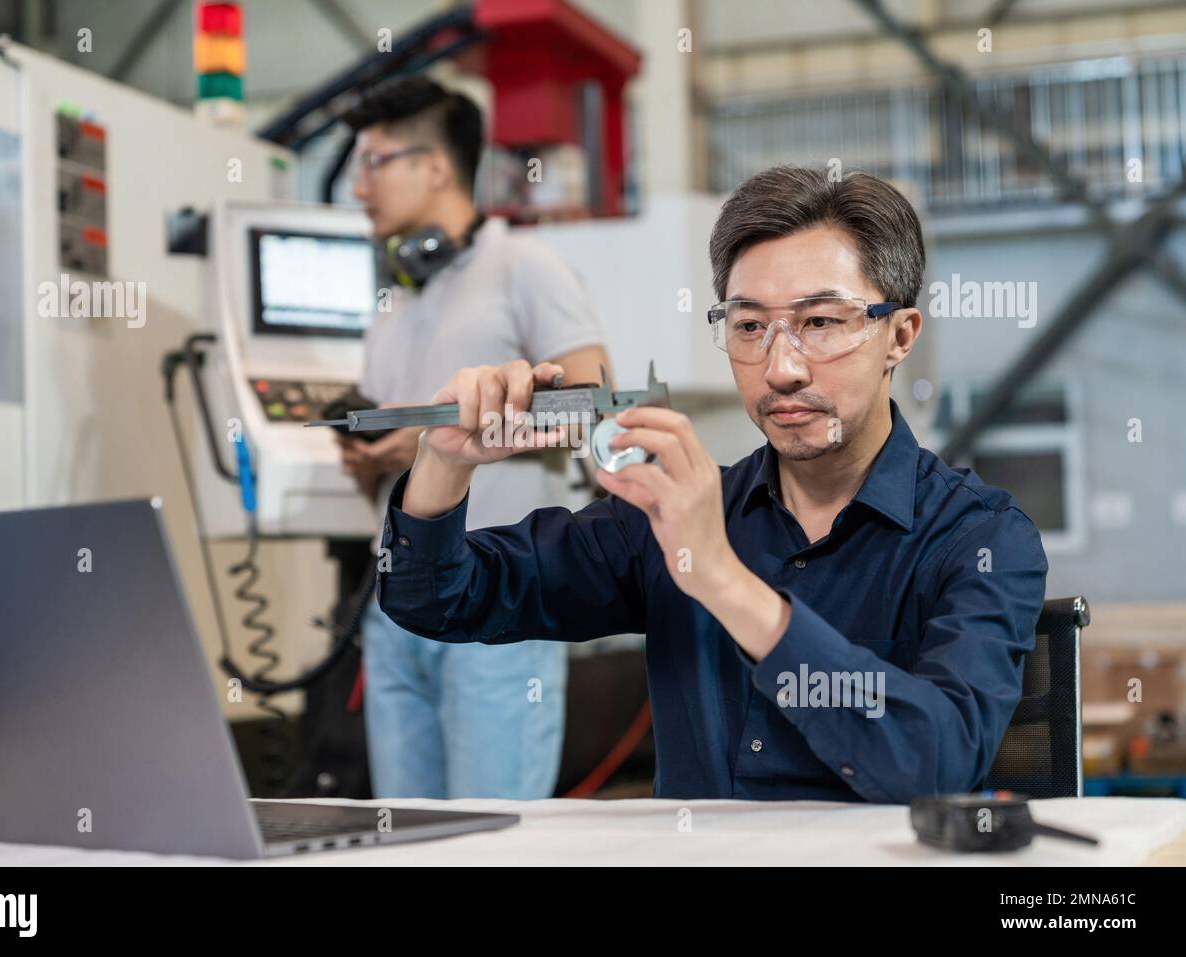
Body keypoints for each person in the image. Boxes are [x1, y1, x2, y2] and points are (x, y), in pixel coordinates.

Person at [373, 166, 1050, 802]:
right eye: (750, 326)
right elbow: (434, 600)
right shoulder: (666, 517)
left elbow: (934, 759)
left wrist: (719, 576)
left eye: (819, 323)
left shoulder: (981, 538)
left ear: (899, 334)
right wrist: (444, 461)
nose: (781, 367)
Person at [339, 76, 610, 799]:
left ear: (433, 166)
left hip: (497, 601)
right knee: (403, 839)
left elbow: (592, 405)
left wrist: (447, 444)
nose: (359, 187)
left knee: (498, 841)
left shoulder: (524, 267)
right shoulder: (391, 310)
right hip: (397, 605)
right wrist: (378, 459)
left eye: (373, 162)